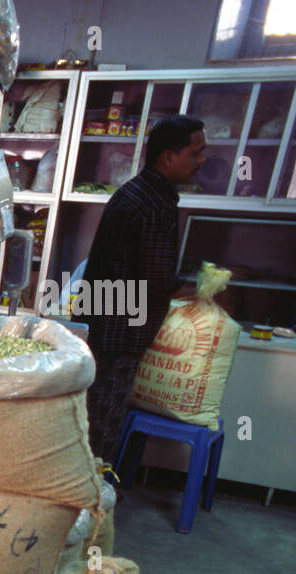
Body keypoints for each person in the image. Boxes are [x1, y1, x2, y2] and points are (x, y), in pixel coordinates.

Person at [82, 114, 206, 465]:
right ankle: (94, 491)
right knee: (104, 413)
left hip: (104, 317)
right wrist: (196, 292)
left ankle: (88, 483)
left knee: (92, 408)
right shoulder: (152, 204)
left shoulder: (140, 192)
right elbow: (156, 280)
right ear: (168, 157)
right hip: (120, 327)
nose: (202, 161)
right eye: (195, 153)